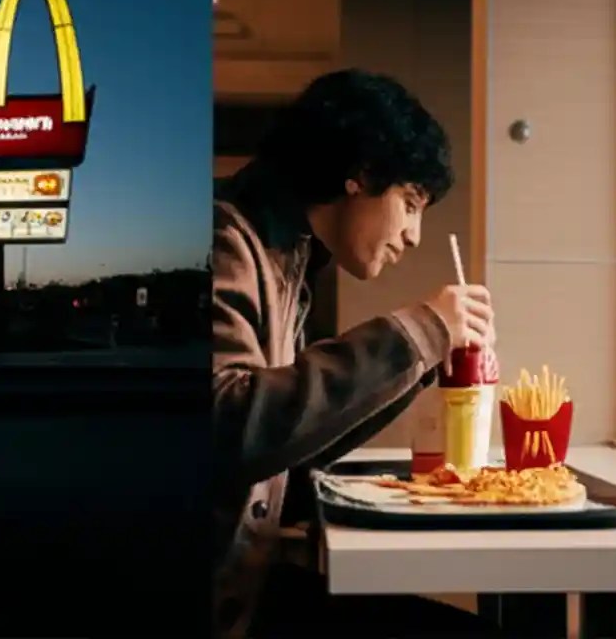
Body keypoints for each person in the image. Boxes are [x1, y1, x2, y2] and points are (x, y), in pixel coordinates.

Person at [212, 69, 500, 638]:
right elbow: (227, 424)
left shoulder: (285, 254)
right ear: (361, 175)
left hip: (247, 585)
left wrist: (421, 358)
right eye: (410, 203)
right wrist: (417, 332)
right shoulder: (223, 237)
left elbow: (286, 445)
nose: (414, 234)